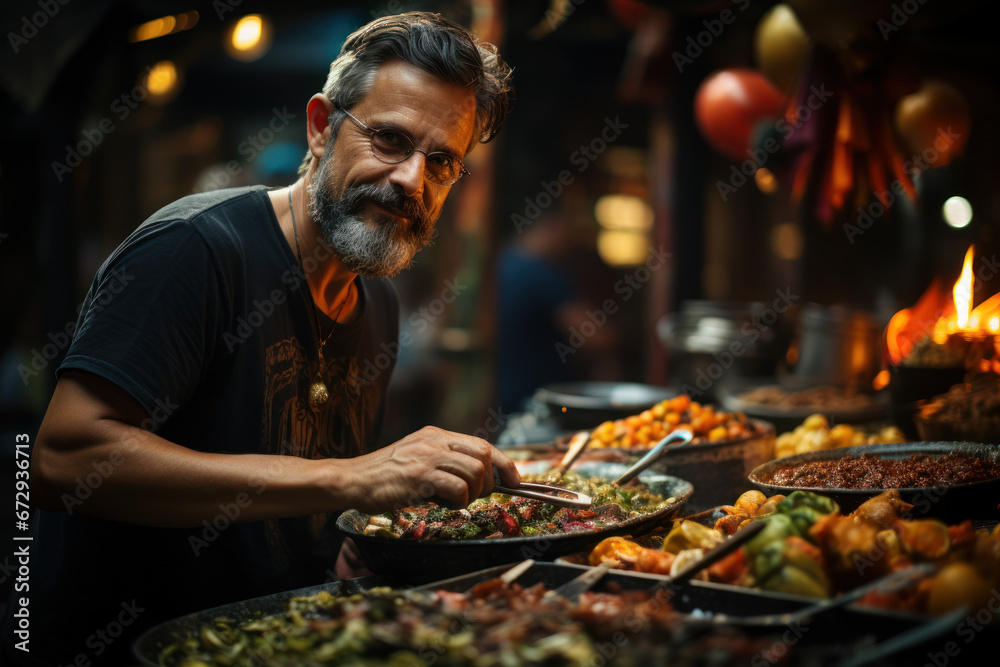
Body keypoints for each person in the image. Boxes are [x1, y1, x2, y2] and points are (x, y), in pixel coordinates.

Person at [3, 12, 518, 666]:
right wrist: (354, 477)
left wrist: (354, 543)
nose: (411, 180)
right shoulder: (195, 249)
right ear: (320, 126)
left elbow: (301, 500)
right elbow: (61, 461)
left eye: (441, 162)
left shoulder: (378, 303)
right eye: (389, 139)